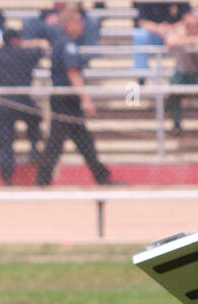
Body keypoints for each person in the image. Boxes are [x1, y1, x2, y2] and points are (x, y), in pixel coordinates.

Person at [35, 5, 115, 186]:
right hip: (65, 100)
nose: (83, 25)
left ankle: (101, 176)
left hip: (66, 100)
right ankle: (43, 179)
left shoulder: (64, 42)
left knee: (82, 140)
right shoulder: (68, 44)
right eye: (79, 21)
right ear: (69, 24)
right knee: (58, 142)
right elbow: (73, 73)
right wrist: (86, 100)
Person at [0, 29, 48, 184]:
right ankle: (35, 149)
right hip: (24, 100)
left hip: (5, 101)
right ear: (17, 39)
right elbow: (43, 47)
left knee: (5, 141)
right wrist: (25, 44)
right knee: (35, 122)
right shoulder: (26, 53)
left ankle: (6, 176)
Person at [165, 11, 198, 136]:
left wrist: (187, 40)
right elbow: (171, 43)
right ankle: (176, 124)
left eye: (196, 25)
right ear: (184, 26)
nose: (193, 28)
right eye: (189, 26)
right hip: (183, 73)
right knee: (173, 87)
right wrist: (195, 40)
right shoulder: (177, 33)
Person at [132, 2, 194, 78]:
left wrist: (171, 28)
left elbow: (188, 18)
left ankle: (185, 75)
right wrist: (158, 29)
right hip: (153, 33)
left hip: (174, 33)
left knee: (184, 32)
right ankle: (141, 77)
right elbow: (142, 21)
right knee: (140, 35)